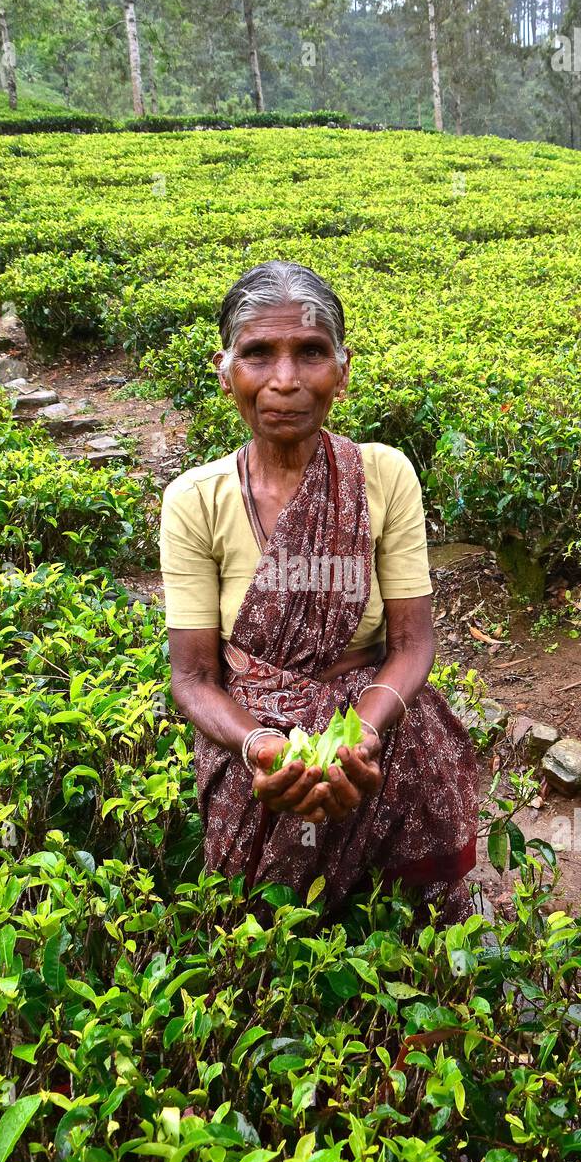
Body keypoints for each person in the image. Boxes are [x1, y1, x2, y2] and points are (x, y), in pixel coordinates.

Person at [159, 259, 478, 921]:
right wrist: (259, 747)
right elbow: (193, 679)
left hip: (378, 733)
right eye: (257, 354)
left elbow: (412, 644)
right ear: (225, 371)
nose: (284, 380)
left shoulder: (384, 477)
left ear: (342, 368)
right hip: (257, 747)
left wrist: (363, 729)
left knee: (401, 929)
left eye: (310, 353)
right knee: (271, 932)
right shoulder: (195, 500)